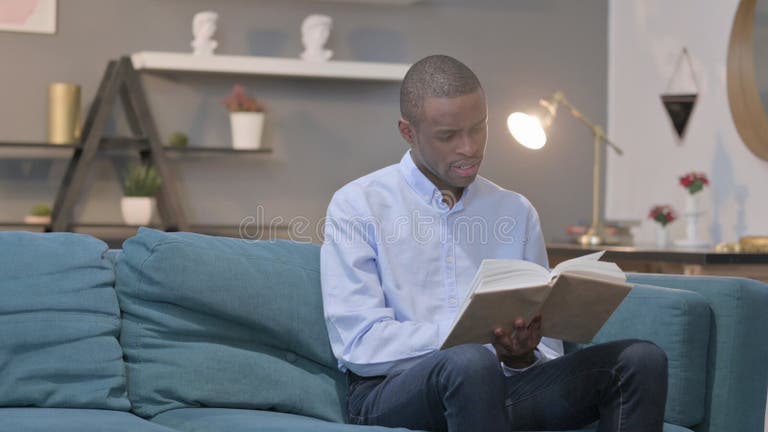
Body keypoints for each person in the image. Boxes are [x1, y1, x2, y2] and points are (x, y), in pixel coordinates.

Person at [320, 54, 668, 432]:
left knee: (639, 360)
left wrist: (520, 355)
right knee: (469, 363)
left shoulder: (514, 211)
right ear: (408, 131)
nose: (469, 148)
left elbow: (546, 349)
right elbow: (360, 344)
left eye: (479, 128)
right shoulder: (358, 205)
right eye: (448, 136)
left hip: (502, 388)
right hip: (389, 393)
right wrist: (466, 336)